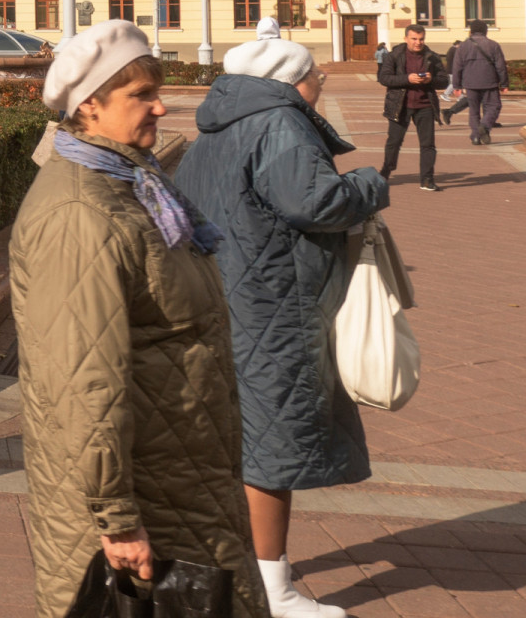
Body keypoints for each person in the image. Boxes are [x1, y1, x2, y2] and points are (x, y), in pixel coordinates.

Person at [13, 20, 268, 618]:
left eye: (157, 89)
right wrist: (118, 519)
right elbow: (83, 382)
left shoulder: (131, 181)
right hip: (144, 497)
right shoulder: (81, 212)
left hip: (176, 473)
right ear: (90, 107)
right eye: (139, 95)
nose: (161, 104)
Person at [182, 38, 388, 617]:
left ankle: (244, 571)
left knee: (241, 442)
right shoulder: (280, 123)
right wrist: (370, 184)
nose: (321, 80)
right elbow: (315, 204)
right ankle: (272, 592)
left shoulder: (220, 123)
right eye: (315, 73)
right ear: (291, 80)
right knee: (272, 450)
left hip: (225, 297)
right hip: (276, 304)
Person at [376, 24, 448, 191]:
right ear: (406, 39)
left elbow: (444, 80)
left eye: (421, 39)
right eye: (414, 39)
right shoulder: (394, 55)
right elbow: (384, 78)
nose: (418, 42)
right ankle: (386, 172)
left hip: (425, 106)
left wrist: (431, 79)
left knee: (428, 144)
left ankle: (427, 179)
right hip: (400, 105)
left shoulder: (432, 57)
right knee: (394, 142)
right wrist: (407, 79)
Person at [448, 19, 508, 145]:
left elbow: (457, 67)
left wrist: (457, 85)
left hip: (470, 83)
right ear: (485, 31)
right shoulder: (493, 45)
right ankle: (484, 126)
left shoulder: (463, 46)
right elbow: (501, 66)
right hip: (489, 82)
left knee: (474, 111)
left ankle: (475, 136)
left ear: (471, 31)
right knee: (493, 106)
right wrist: (504, 83)